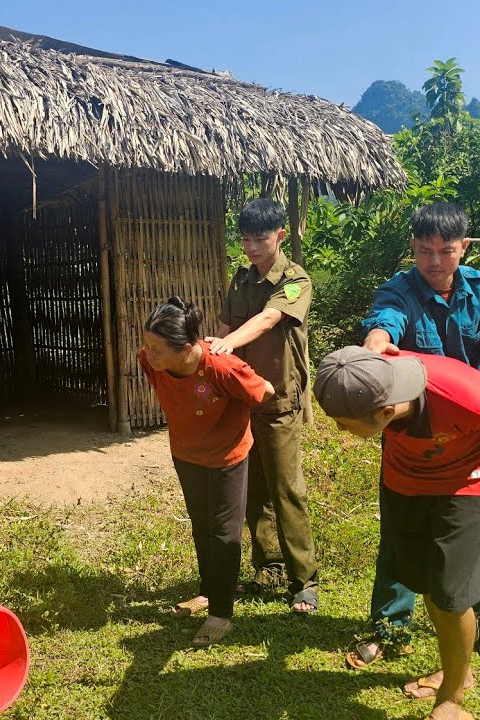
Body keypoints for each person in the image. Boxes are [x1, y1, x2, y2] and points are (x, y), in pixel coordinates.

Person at [350, 202, 480, 673]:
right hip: (414, 436)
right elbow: (385, 321)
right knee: (400, 530)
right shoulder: (399, 289)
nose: (435, 262)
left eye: (446, 251)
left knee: (479, 533)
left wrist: (479, 395)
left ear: (464, 247)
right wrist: (375, 346)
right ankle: (391, 625)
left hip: (472, 434)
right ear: (413, 248)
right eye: (425, 251)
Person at [313, 346, 480, 720]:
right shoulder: (370, 375)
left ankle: (451, 700)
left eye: (344, 424)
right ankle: (459, 669)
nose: (340, 430)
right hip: (405, 482)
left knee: (451, 595)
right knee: (427, 581)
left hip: (466, 483)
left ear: (385, 412)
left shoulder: (466, 396)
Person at [140, 297, 273, 646]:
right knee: (201, 525)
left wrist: (230, 412)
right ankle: (208, 591)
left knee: (225, 534)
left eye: (157, 348)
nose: (148, 354)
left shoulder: (222, 367)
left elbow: (266, 391)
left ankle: (221, 615)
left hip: (227, 456)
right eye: (147, 344)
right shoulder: (151, 362)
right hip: (186, 453)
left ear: (186, 348)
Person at [209, 198, 319, 614]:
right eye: (246, 239)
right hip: (243, 400)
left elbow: (269, 319)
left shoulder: (295, 280)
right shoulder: (240, 281)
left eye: (261, 239)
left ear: (280, 236)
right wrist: (211, 354)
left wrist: (226, 344)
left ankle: (304, 581)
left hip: (278, 399)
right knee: (253, 489)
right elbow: (224, 327)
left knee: (286, 489)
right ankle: (268, 566)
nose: (252, 247)